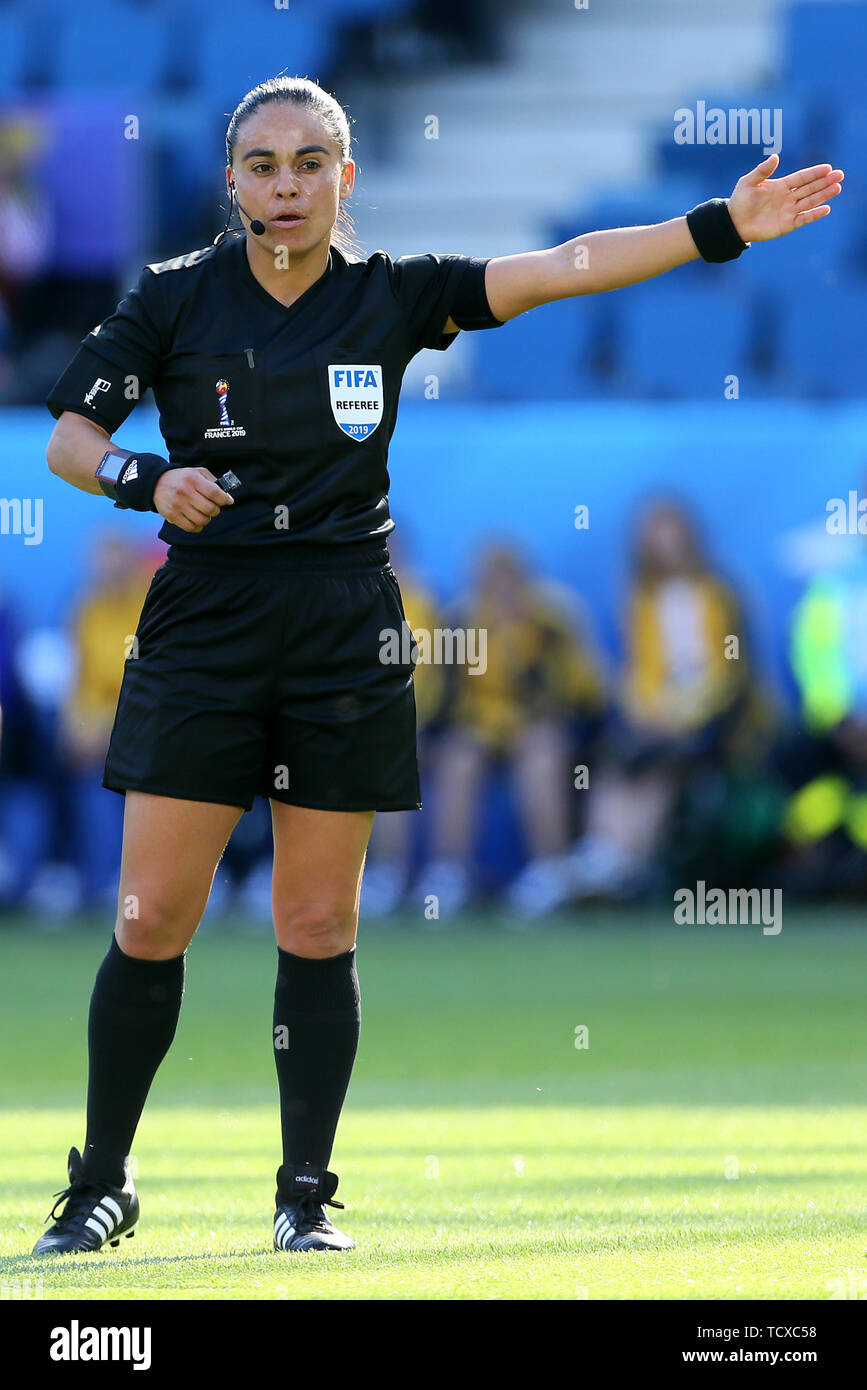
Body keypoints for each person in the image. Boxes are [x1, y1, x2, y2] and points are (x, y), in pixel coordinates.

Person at [32, 70, 844, 1256]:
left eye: (311, 160)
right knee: (153, 914)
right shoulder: (169, 301)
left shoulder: (396, 297)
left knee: (318, 922)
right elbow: (68, 438)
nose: (288, 182)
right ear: (232, 182)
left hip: (344, 627)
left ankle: (305, 1193)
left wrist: (715, 225)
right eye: (263, 164)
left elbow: (564, 265)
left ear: (345, 175)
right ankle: (102, 1180)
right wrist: (145, 478)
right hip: (203, 621)